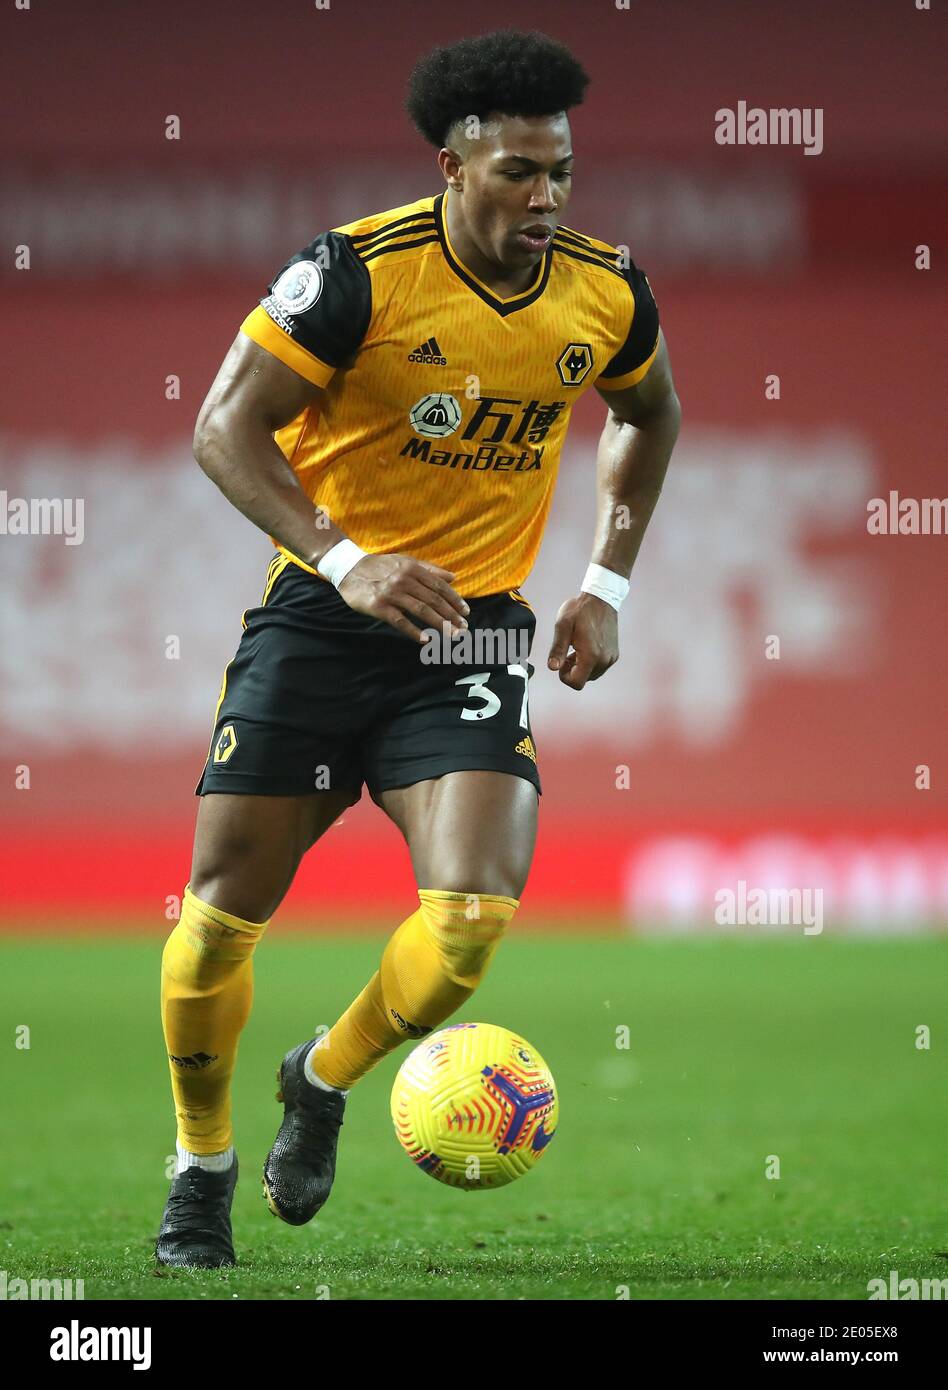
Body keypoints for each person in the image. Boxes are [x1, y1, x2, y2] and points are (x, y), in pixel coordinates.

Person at [156, 27, 681, 1267]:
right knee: (218, 920)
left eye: (559, 171)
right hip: (319, 622)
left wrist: (606, 579)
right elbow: (225, 429)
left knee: (469, 919)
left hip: (467, 632)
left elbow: (649, 413)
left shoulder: (604, 287)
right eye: (516, 173)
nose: (544, 198)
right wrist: (348, 558)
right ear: (453, 165)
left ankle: (323, 1077)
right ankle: (199, 1166)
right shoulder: (357, 275)